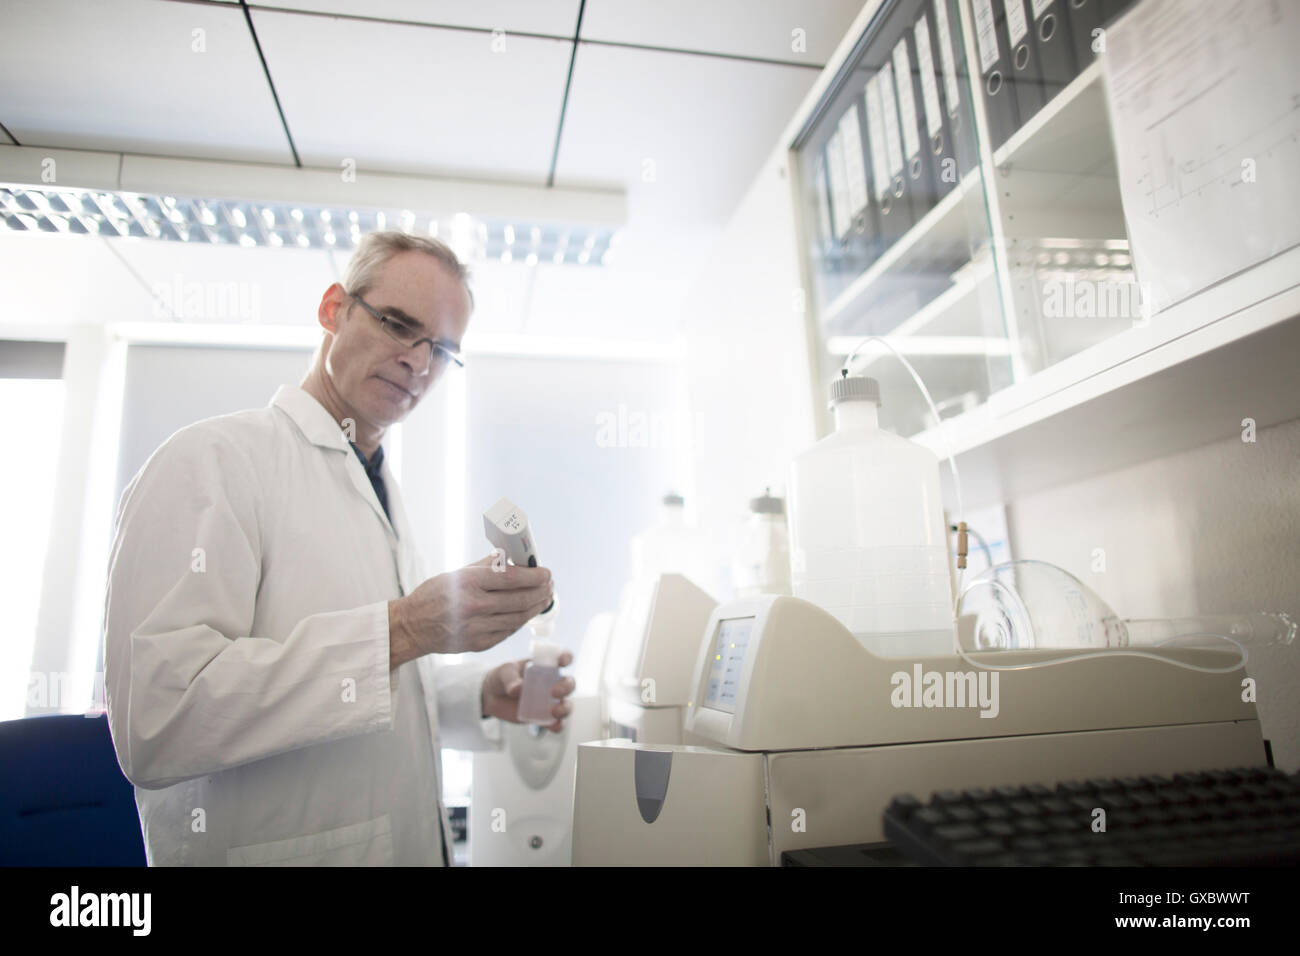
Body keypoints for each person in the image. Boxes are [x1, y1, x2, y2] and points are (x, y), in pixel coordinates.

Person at [103, 230, 570, 866]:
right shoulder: (211, 461)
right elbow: (158, 721)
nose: (418, 362)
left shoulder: (383, 490)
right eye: (398, 325)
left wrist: (480, 694)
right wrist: (404, 628)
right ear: (333, 309)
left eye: (440, 350)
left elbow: (381, 695)